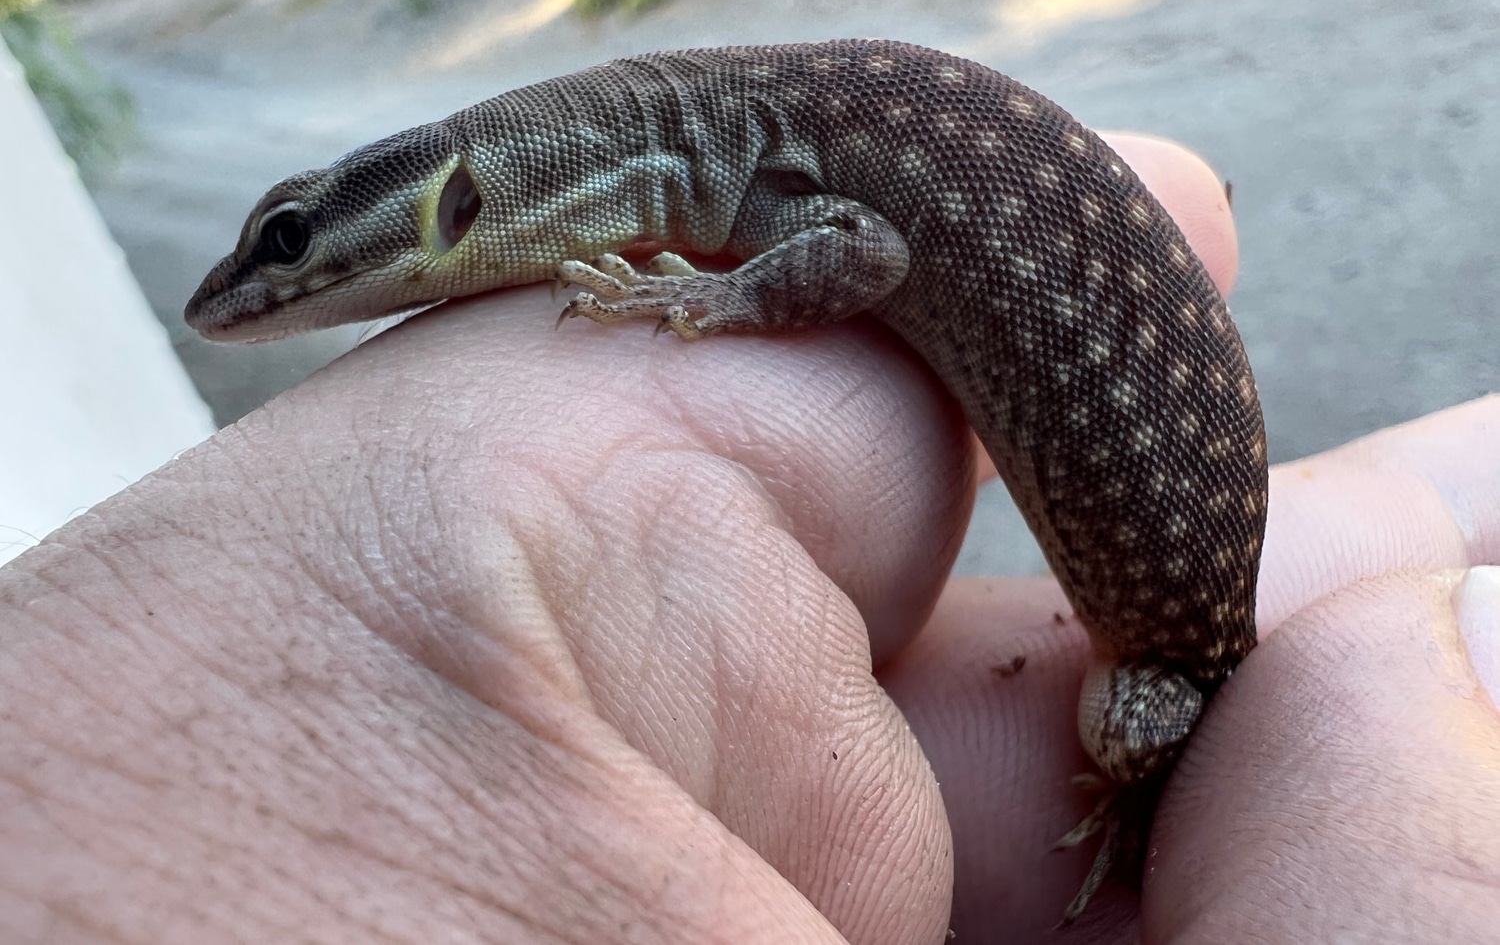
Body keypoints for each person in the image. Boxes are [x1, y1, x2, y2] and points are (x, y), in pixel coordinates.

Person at [3, 136, 1496, 943]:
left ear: (460, 204)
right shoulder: (720, 145)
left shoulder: (744, 165)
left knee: (1127, 717)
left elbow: (874, 248)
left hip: (1185, 664)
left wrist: (717, 304)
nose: (265, 286)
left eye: (289, 245)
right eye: (285, 244)